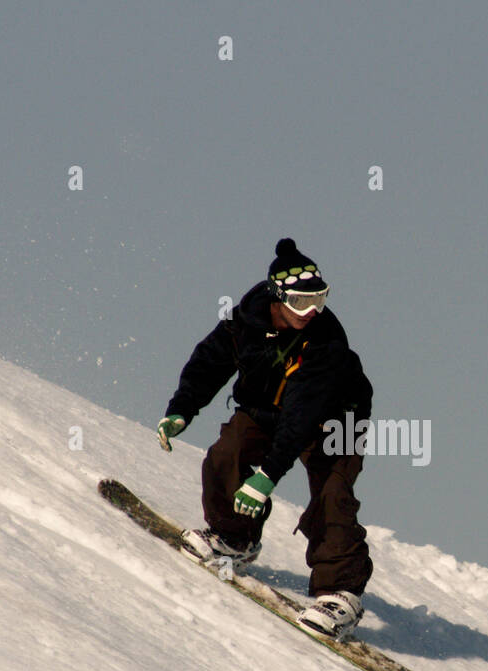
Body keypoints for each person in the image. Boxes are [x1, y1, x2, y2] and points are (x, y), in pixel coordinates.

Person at [156, 238, 374, 640]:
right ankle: (234, 537)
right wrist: (181, 409)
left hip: (333, 420)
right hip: (264, 410)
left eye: (320, 300)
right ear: (277, 297)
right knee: (227, 453)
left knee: (332, 493)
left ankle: (340, 593)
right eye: (301, 302)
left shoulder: (326, 346)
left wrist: (267, 476)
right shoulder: (245, 325)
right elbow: (208, 362)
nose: (312, 312)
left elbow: (303, 417)